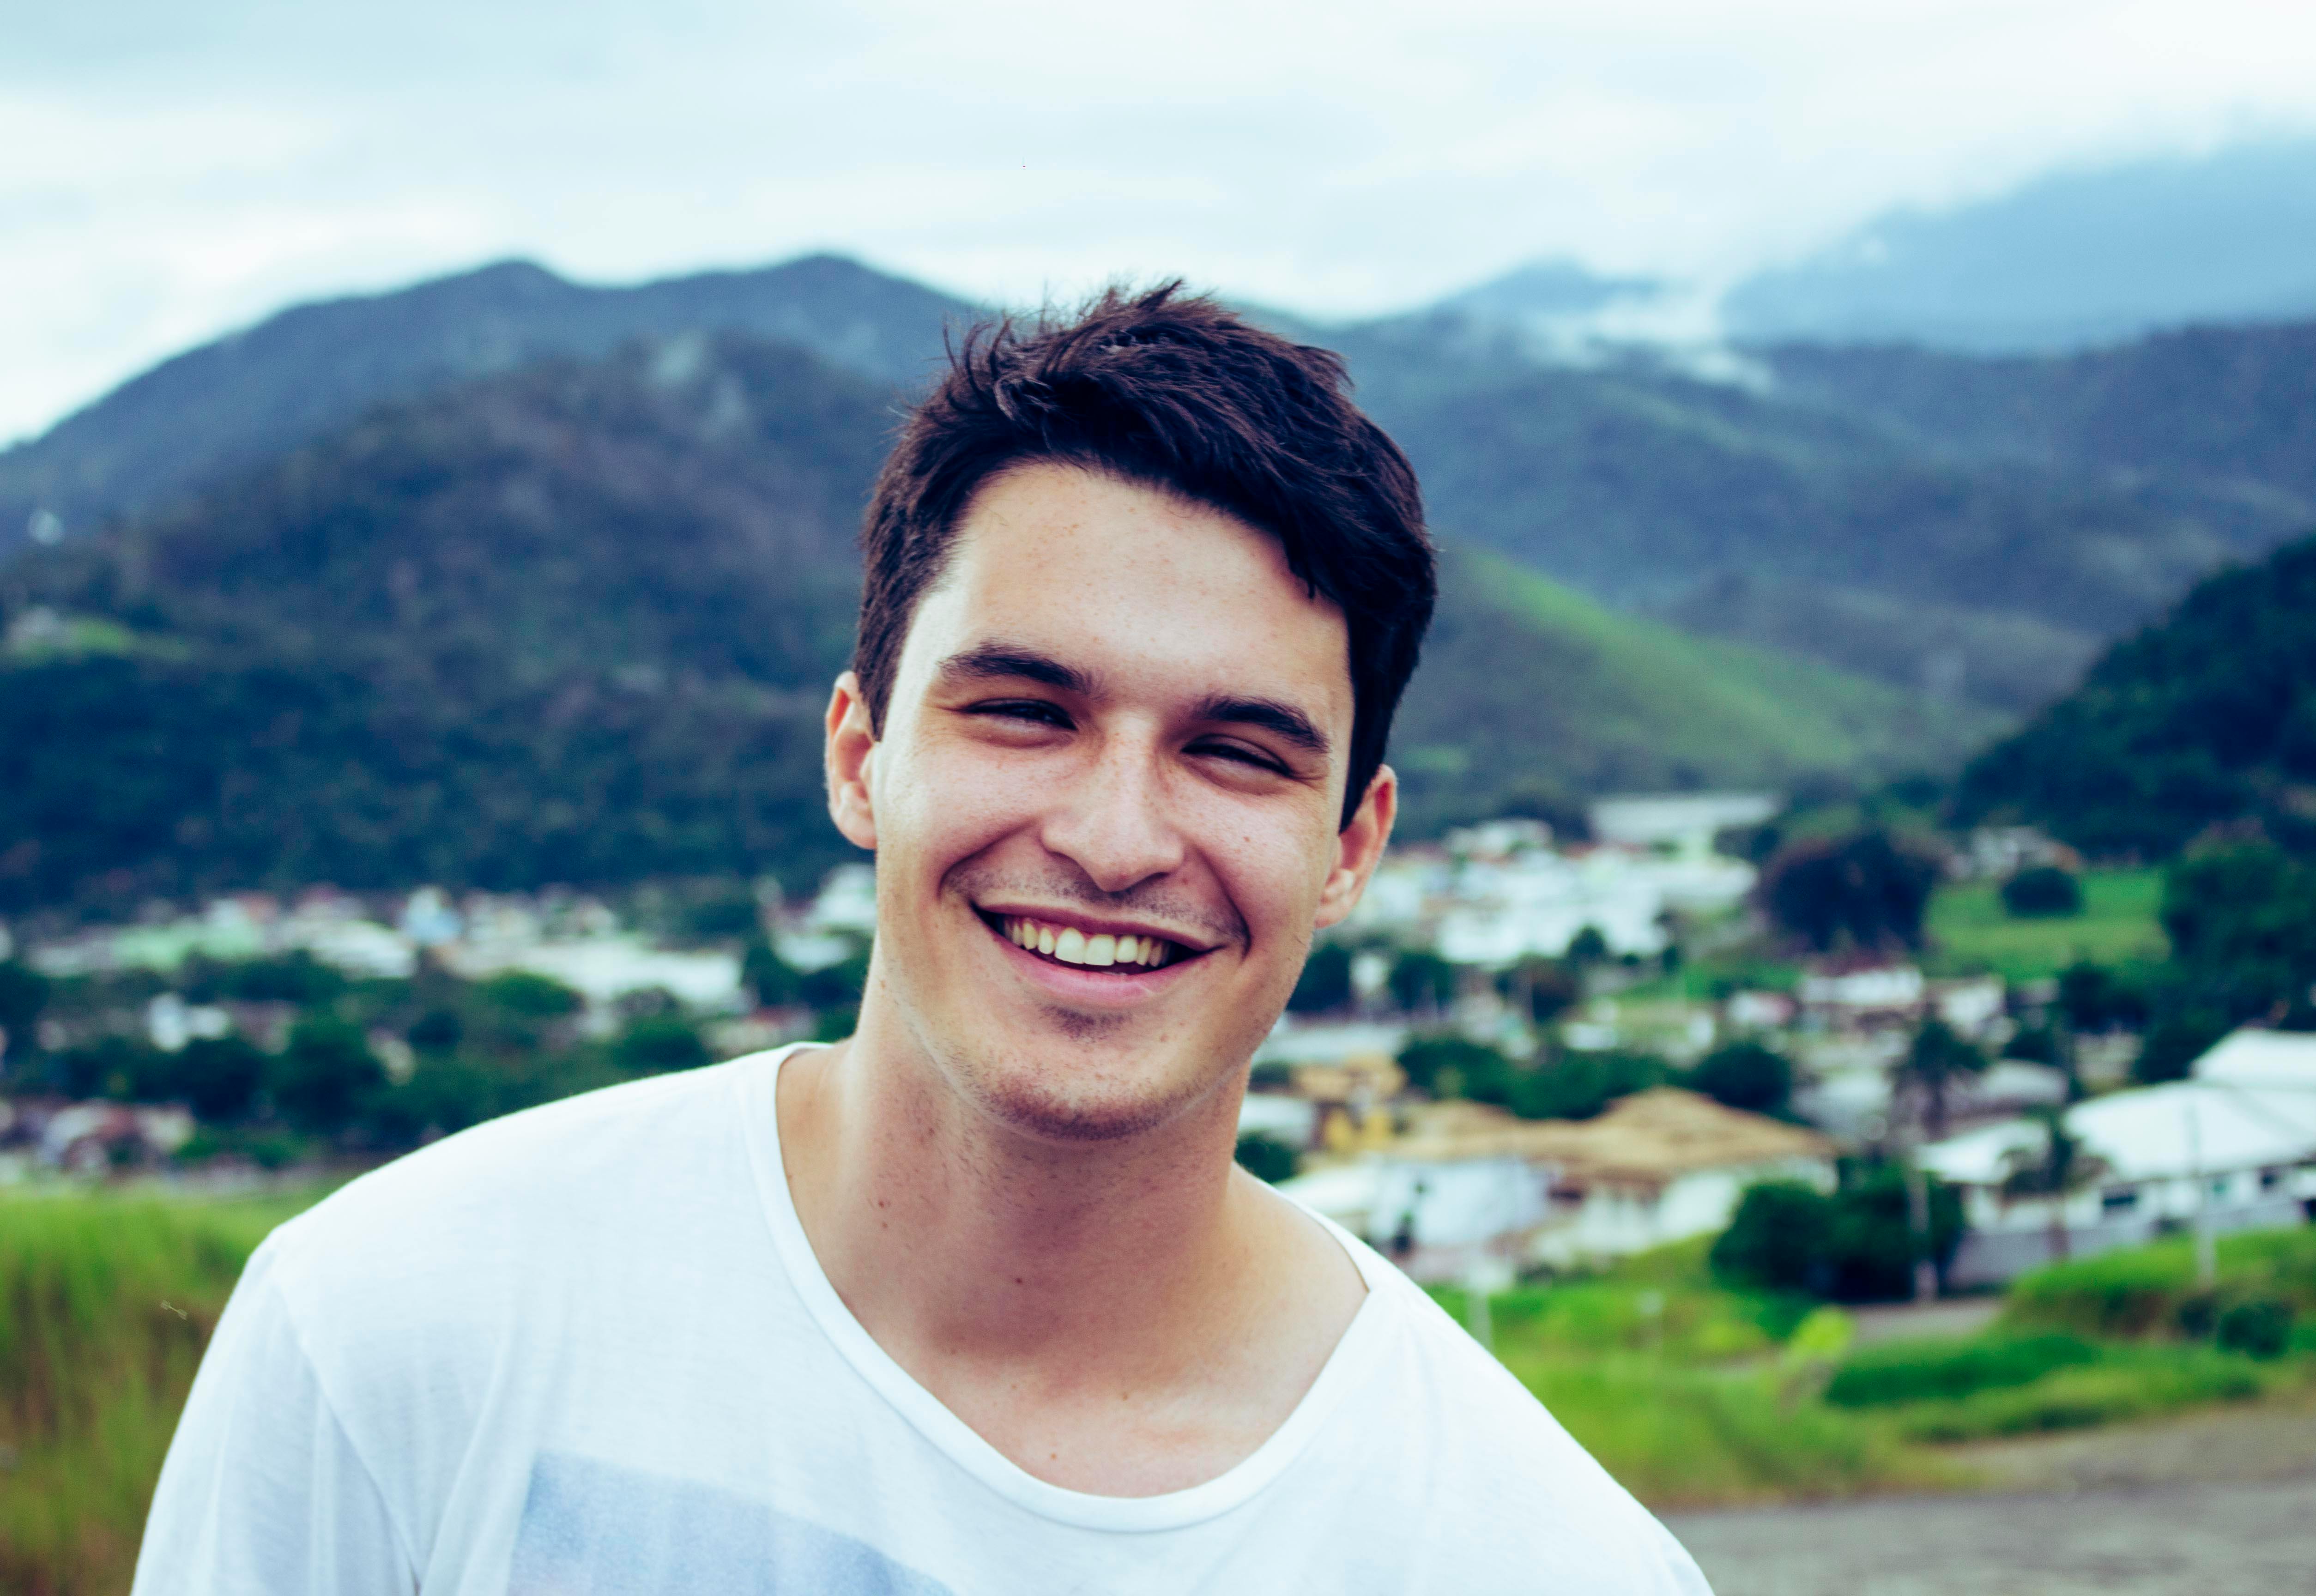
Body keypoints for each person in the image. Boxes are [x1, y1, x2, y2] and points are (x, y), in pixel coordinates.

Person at [133, 286, 1711, 1594]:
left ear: (1351, 848)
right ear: (859, 753)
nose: (1113, 839)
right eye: (1026, 712)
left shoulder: (1538, 1559)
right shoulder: (392, 1332)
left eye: (1237, 752)